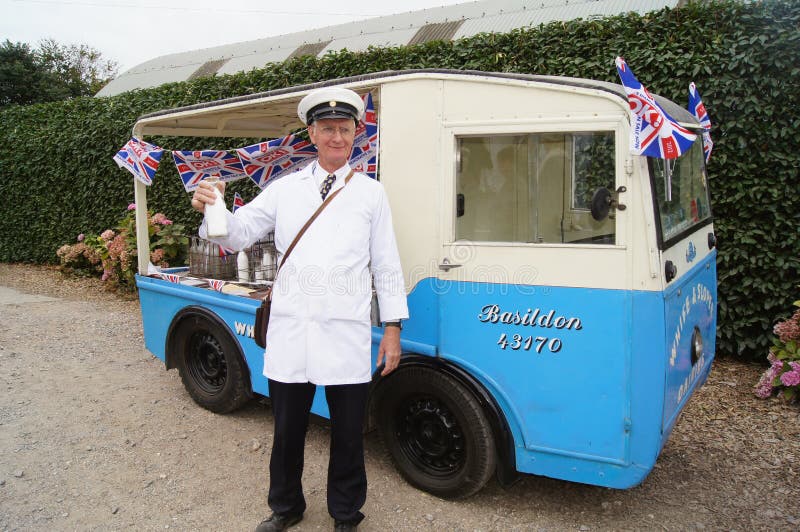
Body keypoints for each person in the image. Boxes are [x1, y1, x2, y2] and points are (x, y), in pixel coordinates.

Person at [190, 86, 408, 532]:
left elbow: (386, 263)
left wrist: (392, 329)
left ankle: (346, 513)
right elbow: (238, 233)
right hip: (292, 331)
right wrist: (211, 208)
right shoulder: (284, 189)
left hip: (344, 332)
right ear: (312, 133)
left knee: (347, 432)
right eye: (327, 128)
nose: (336, 137)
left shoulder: (371, 193)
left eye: (344, 129)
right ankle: (286, 508)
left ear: (355, 134)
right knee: (287, 430)